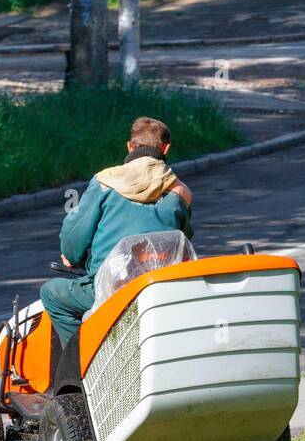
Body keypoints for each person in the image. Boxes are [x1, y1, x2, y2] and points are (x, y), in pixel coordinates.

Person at [40, 116, 193, 346]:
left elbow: (74, 239)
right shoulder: (181, 192)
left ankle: (79, 366)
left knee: (51, 293)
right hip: (160, 289)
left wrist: (72, 257)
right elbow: (181, 243)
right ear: (166, 148)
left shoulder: (105, 182)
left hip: (109, 289)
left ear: (130, 146)